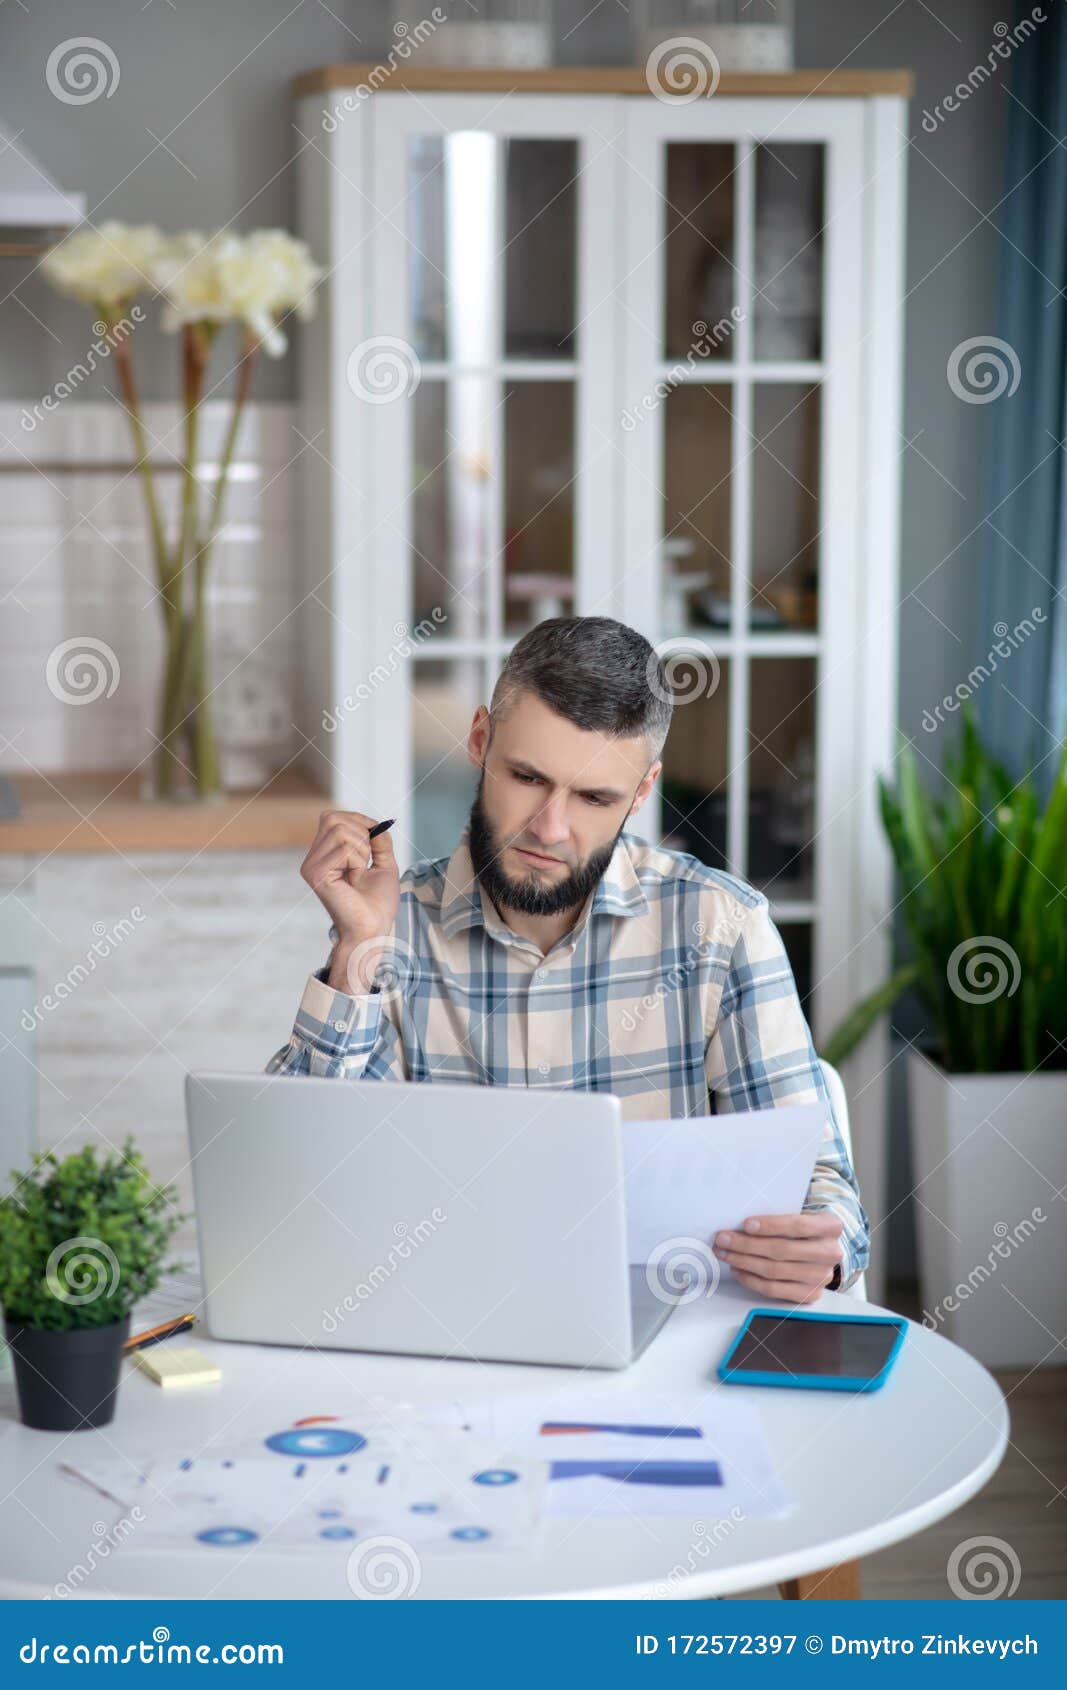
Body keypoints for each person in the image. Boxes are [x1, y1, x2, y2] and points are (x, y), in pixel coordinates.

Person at [267, 616, 869, 1300]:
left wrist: (819, 1245)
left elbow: (819, 1184)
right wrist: (355, 948)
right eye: (527, 776)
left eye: (593, 797)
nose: (549, 828)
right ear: (478, 741)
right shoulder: (391, 927)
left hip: (666, 1327)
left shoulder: (719, 927)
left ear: (641, 793)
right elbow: (303, 1180)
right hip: (447, 1320)